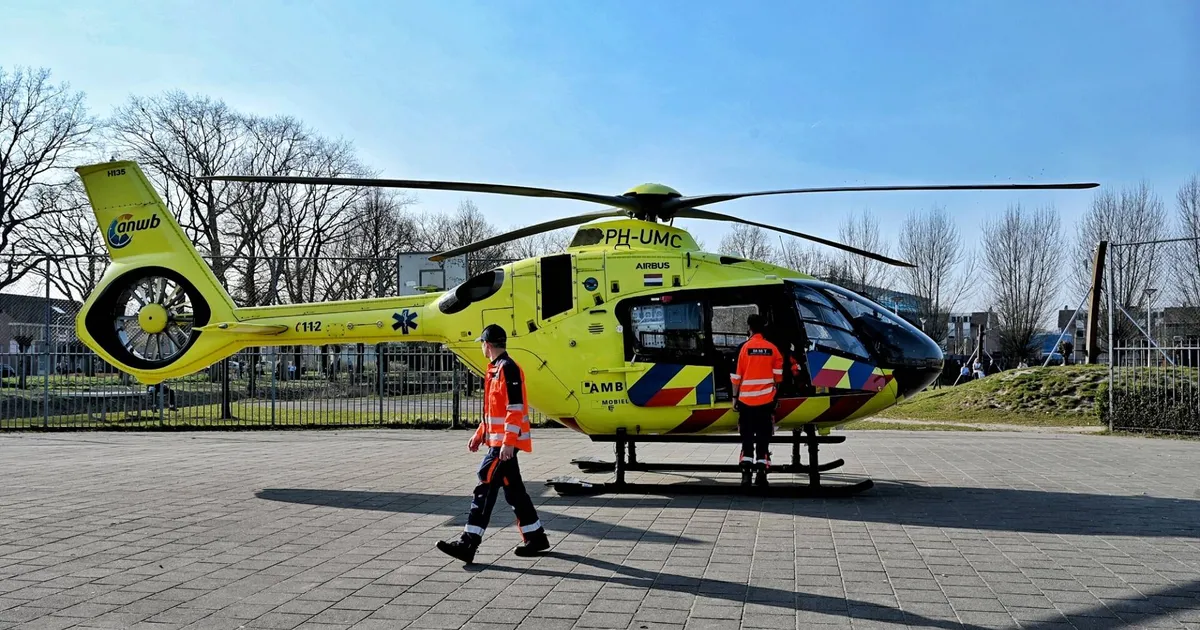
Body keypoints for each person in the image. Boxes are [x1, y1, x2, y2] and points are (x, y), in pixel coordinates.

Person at [436, 324, 550, 563]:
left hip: (504, 446)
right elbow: (494, 411)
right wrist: (480, 433)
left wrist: (508, 443)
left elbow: (515, 408)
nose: (481, 347)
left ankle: (468, 544)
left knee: (485, 484)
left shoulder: (507, 369)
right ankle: (536, 537)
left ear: (487, 344)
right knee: (514, 491)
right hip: (498, 443)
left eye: (481, 343)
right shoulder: (496, 370)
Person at [731, 314, 783, 488]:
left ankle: (746, 475)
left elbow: (736, 377)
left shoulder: (743, 348)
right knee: (763, 437)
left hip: (746, 401)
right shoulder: (773, 349)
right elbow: (778, 378)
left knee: (747, 437)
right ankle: (761, 474)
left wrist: (734, 398)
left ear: (749, 328)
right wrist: (774, 397)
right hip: (766, 402)